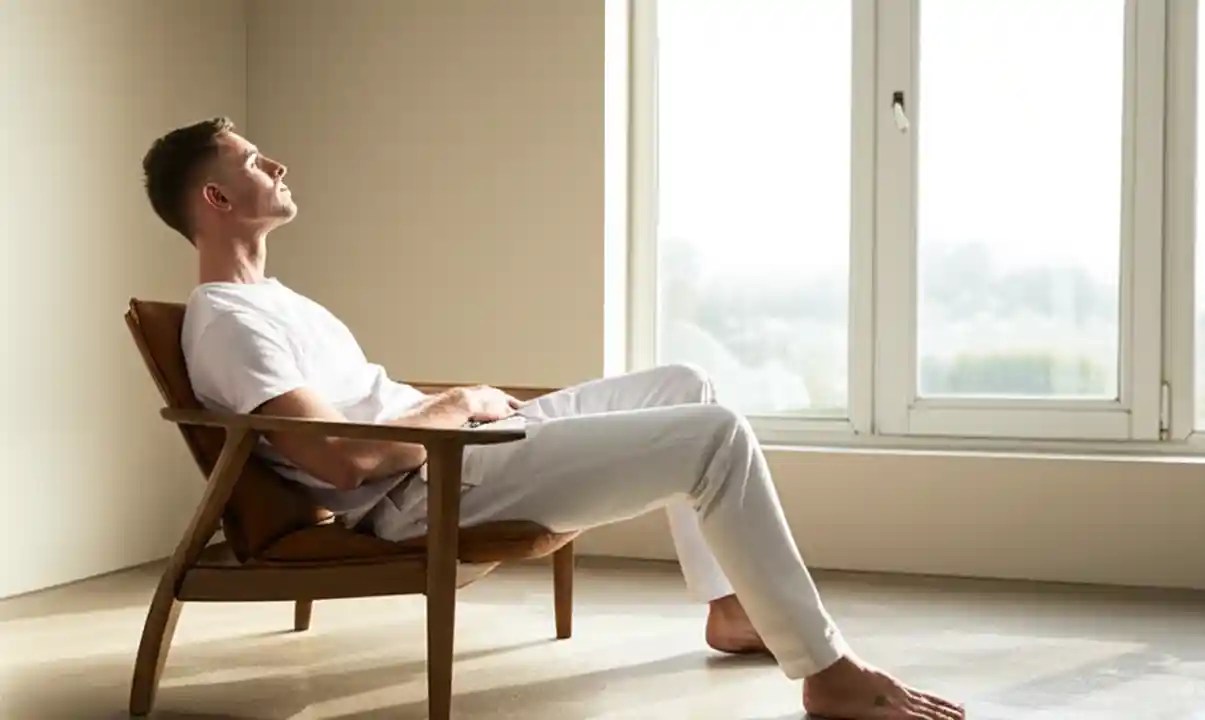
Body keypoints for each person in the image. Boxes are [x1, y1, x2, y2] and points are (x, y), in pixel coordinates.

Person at [141, 118, 964, 720]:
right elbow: (341, 461)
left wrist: (464, 406)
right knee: (714, 438)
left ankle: (733, 608)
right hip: (426, 488)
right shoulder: (228, 322)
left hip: (452, 448)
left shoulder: (276, 301)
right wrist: (460, 403)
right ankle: (826, 670)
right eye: (253, 160)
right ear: (217, 197)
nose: (277, 163)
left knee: (689, 383)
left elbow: (363, 414)